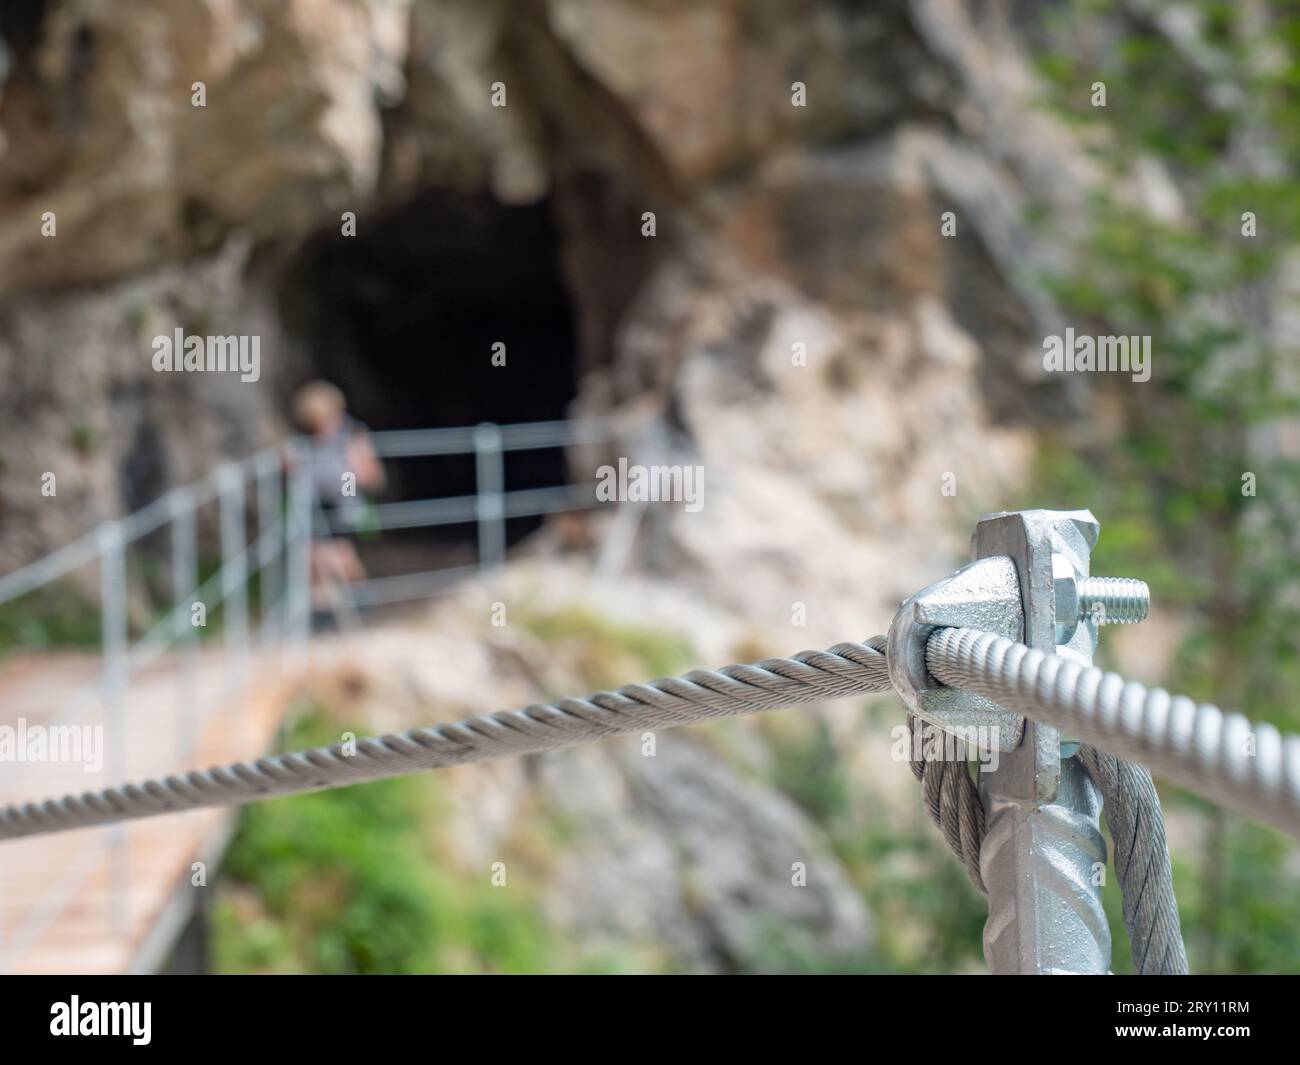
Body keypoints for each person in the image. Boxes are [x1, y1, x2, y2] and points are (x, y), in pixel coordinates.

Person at [291, 381, 385, 611]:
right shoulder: (305, 441)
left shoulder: (353, 435)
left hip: (345, 504)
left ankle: (360, 600)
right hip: (316, 504)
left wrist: (356, 471)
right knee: (311, 557)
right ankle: (322, 614)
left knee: (339, 556)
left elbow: (374, 478)